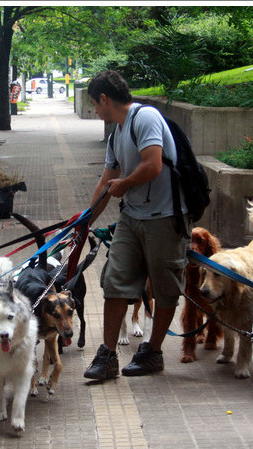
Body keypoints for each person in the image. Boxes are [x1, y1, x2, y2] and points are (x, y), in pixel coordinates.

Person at [81, 70, 189, 381]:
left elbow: (153, 164)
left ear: (105, 99)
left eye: (95, 105)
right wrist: (85, 221)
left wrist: (124, 184)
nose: (95, 111)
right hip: (131, 218)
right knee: (115, 282)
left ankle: (153, 352)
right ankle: (107, 355)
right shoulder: (116, 134)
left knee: (165, 288)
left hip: (165, 218)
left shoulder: (146, 118)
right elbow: (106, 181)